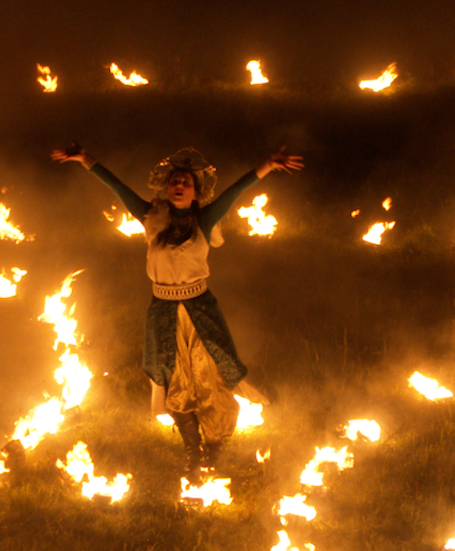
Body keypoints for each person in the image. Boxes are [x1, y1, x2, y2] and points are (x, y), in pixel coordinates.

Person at [51, 143, 303, 473]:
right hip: (163, 312)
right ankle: (192, 450)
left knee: (209, 378)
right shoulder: (151, 218)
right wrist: (87, 160)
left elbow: (235, 191)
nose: (179, 185)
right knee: (172, 381)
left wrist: (267, 166)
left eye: (186, 182)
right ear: (166, 187)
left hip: (199, 311)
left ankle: (214, 445)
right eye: (174, 181)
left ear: (197, 191)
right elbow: (118, 188)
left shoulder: (205, 219)